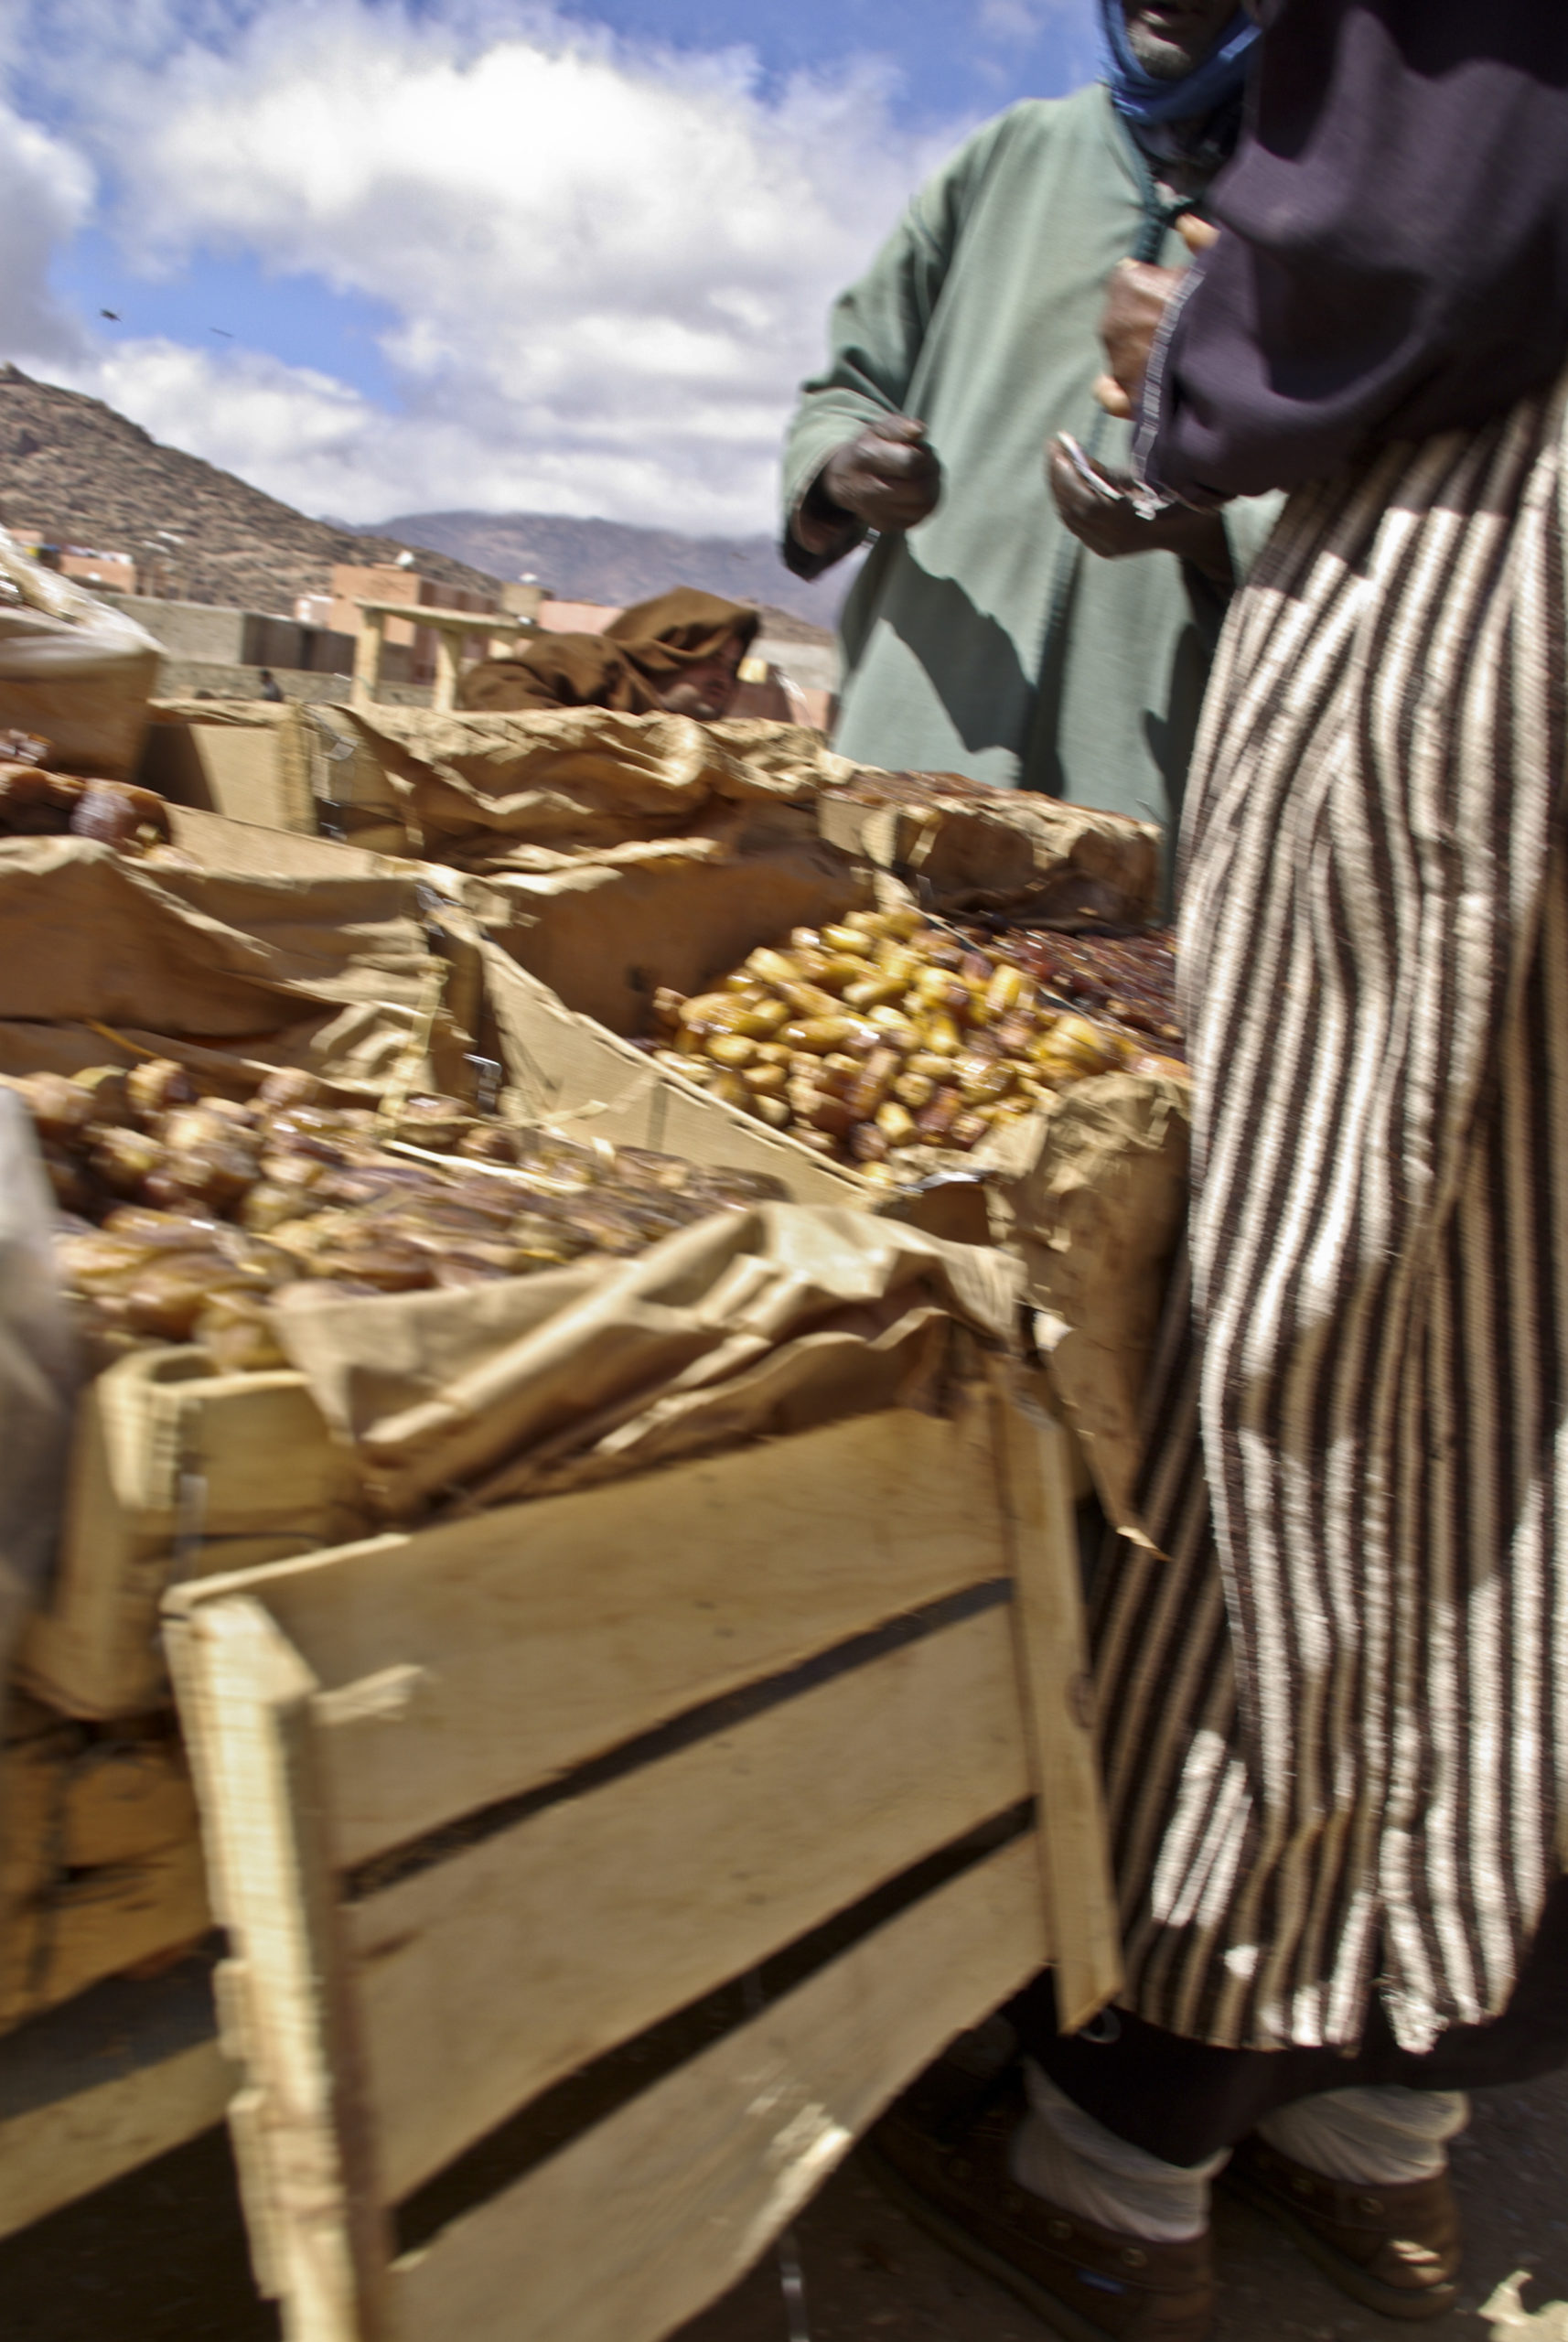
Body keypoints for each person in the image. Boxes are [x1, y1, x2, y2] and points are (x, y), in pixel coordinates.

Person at [871, 6, 1568, 2337]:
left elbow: (1421, 193)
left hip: (1497, 557)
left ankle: (1122, 2141)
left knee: (1316, 1347)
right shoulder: (991, 161)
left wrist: (1209, 353)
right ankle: (1395, 2107)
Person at [780, 2, 1280, 853]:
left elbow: (1364, 522)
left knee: (1090, 983)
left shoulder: (1305, 216)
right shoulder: (1009, 155)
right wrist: (841, 471)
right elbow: (846, 390)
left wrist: (1205, 533)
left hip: (1137, 809)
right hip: (909, 759)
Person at [456, 588, 758, 720]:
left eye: (732, 667)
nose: (724, 679)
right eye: (714, 659)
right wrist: (583, 752)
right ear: (671, 649)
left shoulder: (696, 737)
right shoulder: (594, 659)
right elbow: (493, 683)